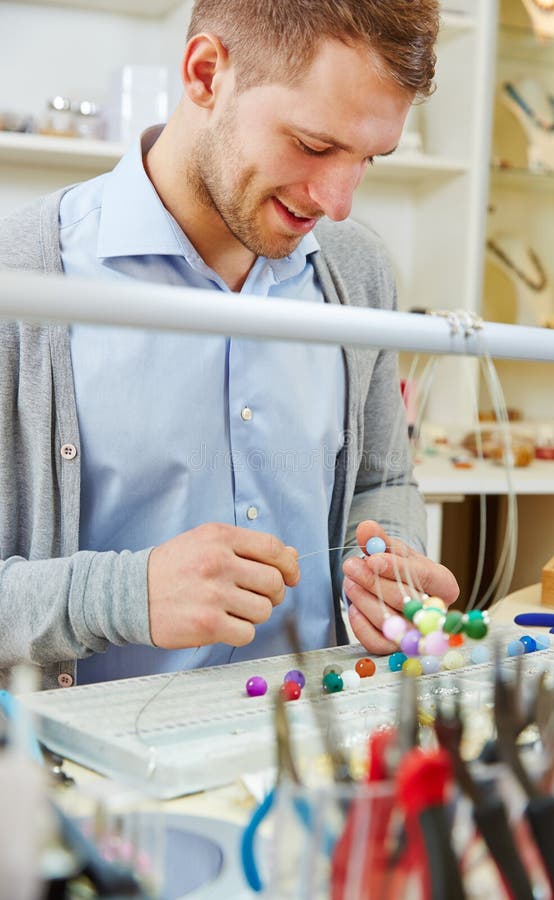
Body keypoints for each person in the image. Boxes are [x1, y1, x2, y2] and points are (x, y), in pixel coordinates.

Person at [0, 0, 458, 690]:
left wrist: (389, 561)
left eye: (369, 157)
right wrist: (125, 595)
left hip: (313, 751)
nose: (338, 201)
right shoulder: (23, 279)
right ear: (206, 74)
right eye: (312, 144)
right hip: (95, 781)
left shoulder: (357, 272)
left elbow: (381, 482)